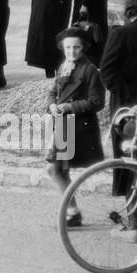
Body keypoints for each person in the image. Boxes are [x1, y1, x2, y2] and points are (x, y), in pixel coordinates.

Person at [46, 27, 105, 225]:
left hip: (78, 126)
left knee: (57, 169)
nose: (72, 52)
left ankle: (72, 212)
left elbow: (97, 102)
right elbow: (52, 91)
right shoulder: (63, 66)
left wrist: (69, 106)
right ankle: (72, 211)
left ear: (83, 48)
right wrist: (52, 105)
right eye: (68, 47)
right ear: (63, 48)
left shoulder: (89, 70)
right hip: (62, 125)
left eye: (76, 47)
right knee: (57, 170)